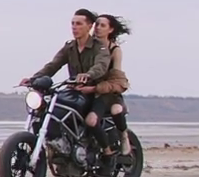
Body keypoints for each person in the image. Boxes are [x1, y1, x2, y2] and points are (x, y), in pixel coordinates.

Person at [21, 9, 110, 112]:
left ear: (89, 26)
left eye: (79, 24)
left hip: (94, 93)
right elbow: (53, 65)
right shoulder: (70, 47)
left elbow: (101, 65)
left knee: (91, 122)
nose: (74, 27)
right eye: (73, 24)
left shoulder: (99, 46)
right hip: (74, 91)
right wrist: (33, 79)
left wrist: (88, 75)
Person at [86, 13, 130, 155]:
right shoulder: (88, 46)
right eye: (96, 24)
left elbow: (116, 78)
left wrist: (96, 88)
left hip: (108, 92)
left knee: (116, 110)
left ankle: (123, 137)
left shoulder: (114, 50)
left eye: (102, 25)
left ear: (110, 30)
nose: (98, 28)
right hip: (88, 89)